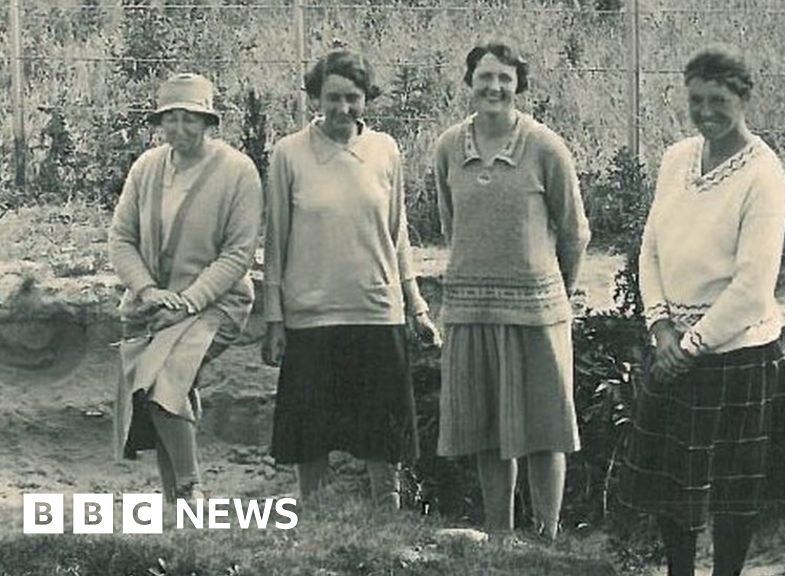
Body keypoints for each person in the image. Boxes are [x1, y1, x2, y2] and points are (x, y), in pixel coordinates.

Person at [620, 44, 785, 576]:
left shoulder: (764, 175)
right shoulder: (677, 159)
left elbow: (753, 287)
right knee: (674, 488)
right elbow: (651, 248)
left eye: (718, 101)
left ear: (743, 99)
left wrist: (690, 345)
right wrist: (660, 328)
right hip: (673, 350)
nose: (705, 113)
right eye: (696, 100)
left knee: (733, 496)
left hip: (738, 355)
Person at [262, 49, 440, 508]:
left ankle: (387, 520)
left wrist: (416, 305)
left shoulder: (385, 150)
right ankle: (315, 519)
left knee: (384, 434)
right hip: (311, 315)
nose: (343, 108)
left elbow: (397, 233)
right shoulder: (288, 154)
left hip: (377, 310)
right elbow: (276, 241)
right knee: (310, 434)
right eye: (333, 98)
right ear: (316, 98)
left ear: (366, 99)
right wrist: (274, 319)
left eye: (353, 98)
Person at [433, 41, 591, 540]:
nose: (494, 87)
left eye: (505, 78)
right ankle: (498, 538)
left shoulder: (545, 147)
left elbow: (575, 232)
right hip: (471, 310)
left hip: (537, 314)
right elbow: (450, 225)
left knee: (544, 432)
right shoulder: (448, 147)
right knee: (487, 432)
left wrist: (556, 294)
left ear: (519, 84)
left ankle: (547, 537)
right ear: (469, 82)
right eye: (485, 77)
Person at [111, 73, 263, 503]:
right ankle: (174, 500)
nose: (179, 129)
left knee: (165, 378)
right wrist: (146, 291)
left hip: (216, 303)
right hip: (153, 304)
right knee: (158, 388)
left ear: (209, 122)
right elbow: (121, 238)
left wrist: (189, 302)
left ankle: (190, 487)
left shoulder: (237, 172)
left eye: (190, 119)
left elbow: (238, 253)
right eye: (171, 119)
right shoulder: (147, 168)